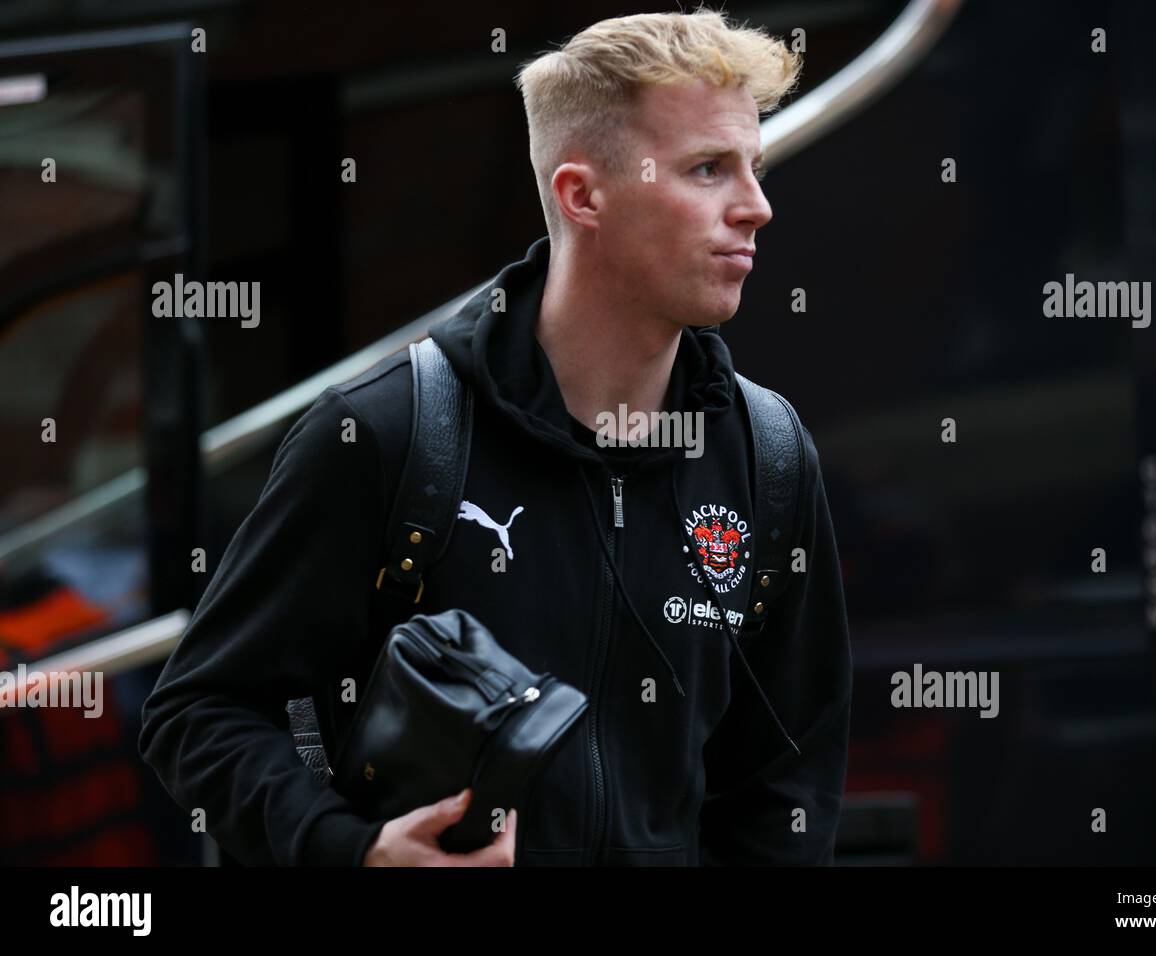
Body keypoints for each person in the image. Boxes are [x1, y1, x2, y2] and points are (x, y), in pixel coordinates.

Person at [139, 6, 853, 867]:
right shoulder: (388, 432)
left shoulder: (767, 454)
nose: (758, 207)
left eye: (755, 167)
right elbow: (199, 713)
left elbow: (786, 781)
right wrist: (353, 851)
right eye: (709, 169)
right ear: (582, 195)